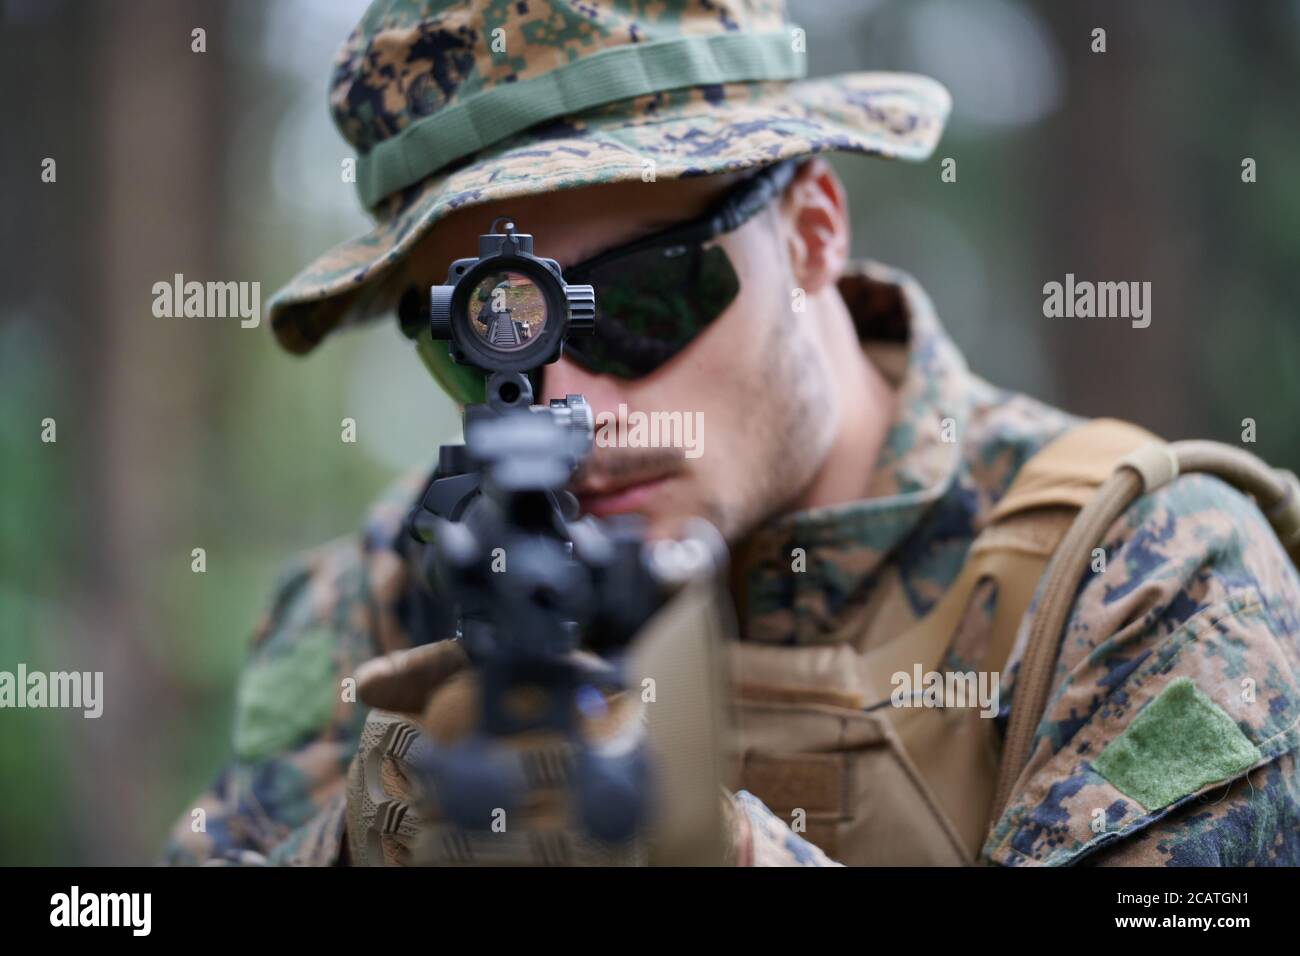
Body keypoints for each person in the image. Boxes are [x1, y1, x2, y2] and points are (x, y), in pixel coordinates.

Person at [162, 0, 1300, 867]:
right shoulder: (392, 583)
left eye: (643, 301)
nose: (572, 411)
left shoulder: (1144, 573)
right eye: (483, 335)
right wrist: (362, 844)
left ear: (812, 231)